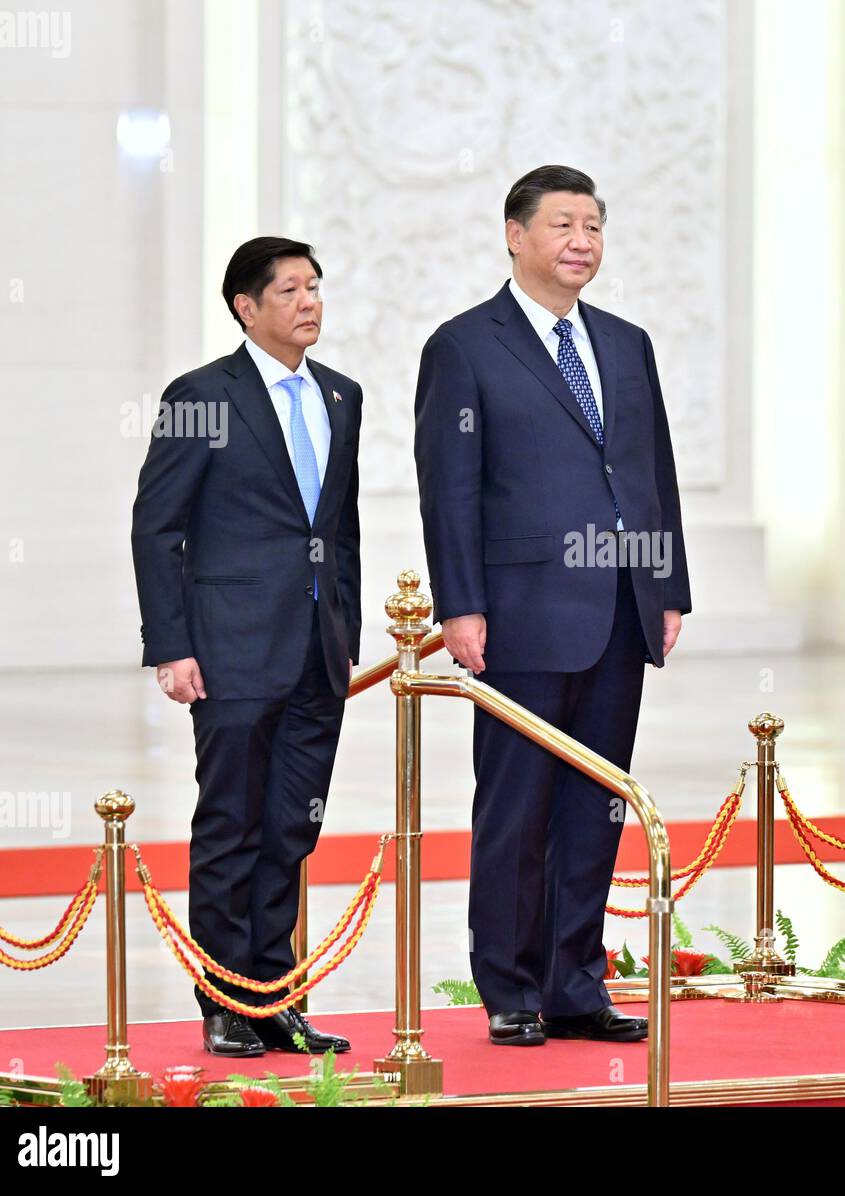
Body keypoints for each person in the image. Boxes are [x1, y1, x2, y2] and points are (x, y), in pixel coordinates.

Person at [413, 165, 691, 1046]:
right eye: (565, 224)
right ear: (515, 234)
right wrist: (460, 604)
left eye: (595, 227)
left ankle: (576, 982)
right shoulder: (464, 345)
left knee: (595, 806)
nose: (583, 241)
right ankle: (510, 986)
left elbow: (653, 471)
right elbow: (447, 491)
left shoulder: (626, 340)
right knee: (517, 808)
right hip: (522, 614)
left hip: (618, 609)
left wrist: (669, 584)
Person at [131, 237, 362, 1056]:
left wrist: (348, 631)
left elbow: (341, 531)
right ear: (246, 307)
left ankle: (276, 996)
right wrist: (172, 645)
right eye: (291, 290)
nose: (310, 302)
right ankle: (225, 998)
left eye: (315, 288)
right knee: (231, 825)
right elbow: (157, 528)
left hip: (316, 652)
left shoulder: (341, 396)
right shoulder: (201, 396)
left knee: (291, 830)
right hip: (229, 650)